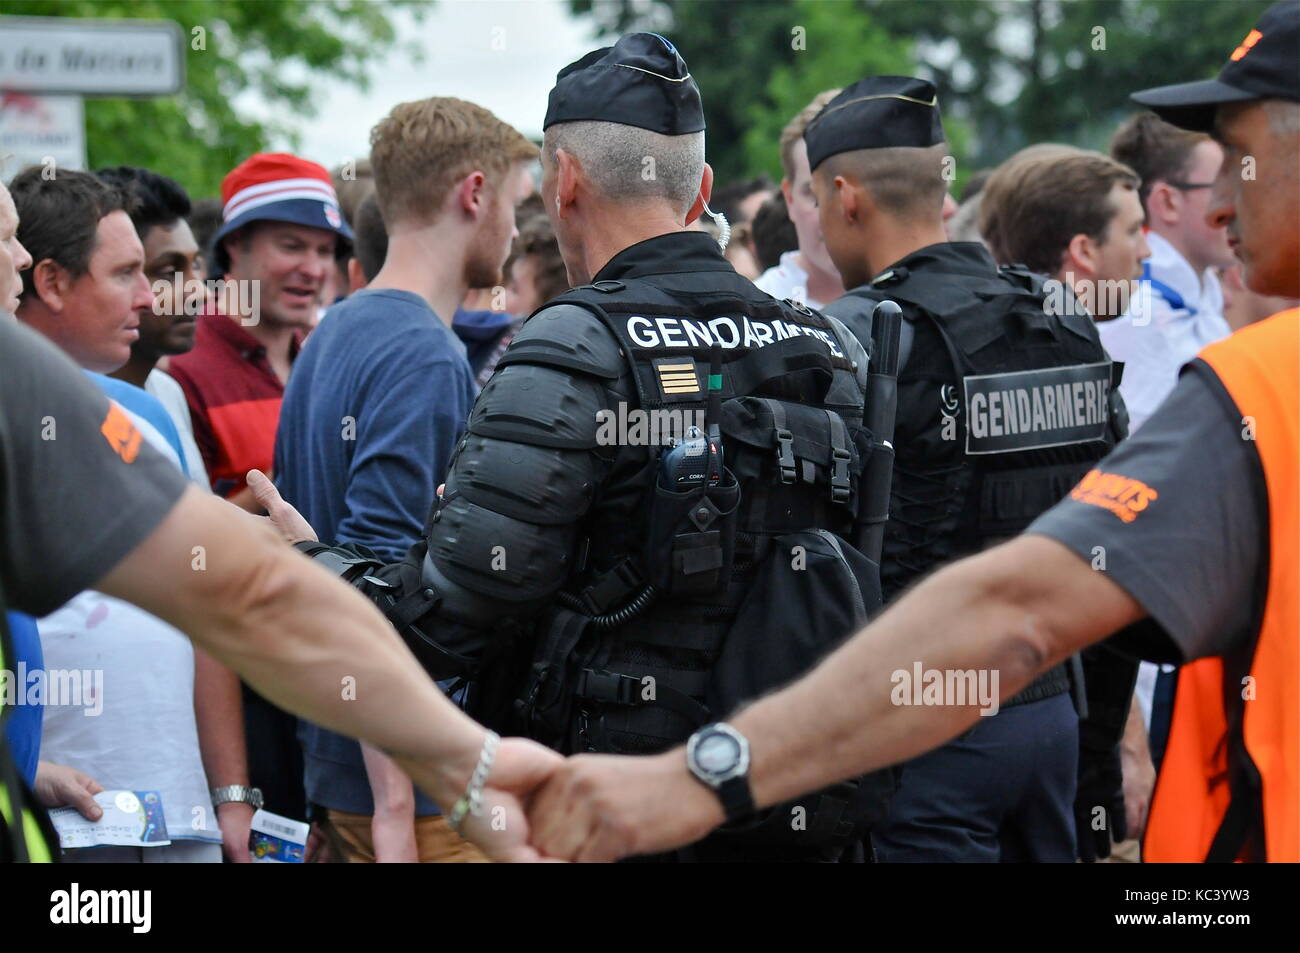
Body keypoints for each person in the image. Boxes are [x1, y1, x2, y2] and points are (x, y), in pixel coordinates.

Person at [524, 0, 1300, 865]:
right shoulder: (1061, 318)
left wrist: (701, 772)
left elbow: (1017, 599)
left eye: (1245, 158)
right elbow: (1115, 574)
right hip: (1056, 718)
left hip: (919, 722)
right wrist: (1110, 747)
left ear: (842, 197)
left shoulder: (860, 334)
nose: (1225, 203)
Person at [262, 32, 888, 862]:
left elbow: (440, 623)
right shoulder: (828, 345)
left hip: (607, 814)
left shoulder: (573, 341)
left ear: (564, 183)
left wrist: (301, 558)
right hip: (791, 802)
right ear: (700, 188)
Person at [275, 96, 536, 864]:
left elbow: (316, 561)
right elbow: (375, 583)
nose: (518, 235)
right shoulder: (422, 353)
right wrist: (393, 806)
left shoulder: (334, 333)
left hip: (349, 768)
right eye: (516, 205)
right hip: (415, 799)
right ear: (475, 193)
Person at [10, 167, 252, 861]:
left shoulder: (149, 411)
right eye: (126, 275)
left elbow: (204, 610)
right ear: (52, 283)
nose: (149, 298)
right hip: (58, 822)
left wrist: (232, 792)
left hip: (180, 818)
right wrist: (23, 769)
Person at [168, 152, 356, 826]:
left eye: (327, 249)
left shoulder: (328, 358)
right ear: (234, 249)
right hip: (235, 696)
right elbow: (160, 540)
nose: (313, 267)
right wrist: (273, 498)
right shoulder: (181, 368)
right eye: (290, 244)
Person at [1103, 113, 1238, 430]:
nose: (1236, 205)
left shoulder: (1200, 296)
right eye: (1222, 187)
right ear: (1167, 202)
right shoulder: (1134, 315)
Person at [980, 150, 1151, 321]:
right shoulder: (1060, 345)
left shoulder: (997, 335)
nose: (1146, 252)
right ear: (1084, 251)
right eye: (1133, 231)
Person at [753, 89, 846, 308]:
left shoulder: (914, 304)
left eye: (844, 190)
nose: (832, 212)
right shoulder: (756, 309)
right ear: (790, 199)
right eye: (813, 194)